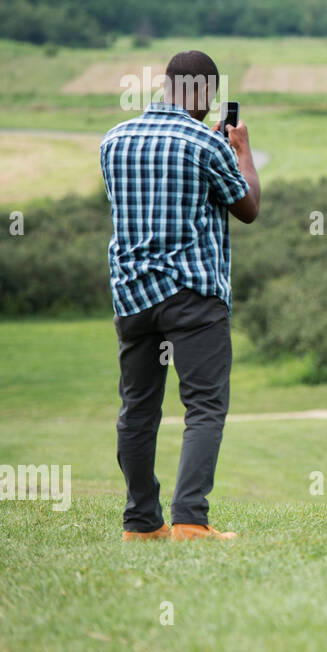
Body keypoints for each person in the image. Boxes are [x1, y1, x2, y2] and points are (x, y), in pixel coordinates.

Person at [99, 50, 261, 542]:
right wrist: (241, 152)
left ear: (166, 86)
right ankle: (191, 519)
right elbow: (248, 208)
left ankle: (141, 522)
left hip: (131, 295)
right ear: (208, 95)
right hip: (193, 293)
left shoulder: (113, 140)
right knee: (204, 407)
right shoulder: (205, 145)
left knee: (138, 408)